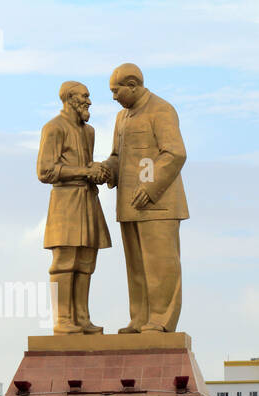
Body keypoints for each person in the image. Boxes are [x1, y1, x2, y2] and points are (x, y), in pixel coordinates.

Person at [101, 63, 189, 334]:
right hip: (128, 205)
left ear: (132, 85)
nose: (114, 97)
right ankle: (139, 319)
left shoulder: (161, 110)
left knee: (160, 265)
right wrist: (106, 169)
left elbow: (174, 153)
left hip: (158, 204)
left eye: (117, 91)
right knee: (136, 268)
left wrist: (149, 186)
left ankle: (161, 321)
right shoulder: (120, 118)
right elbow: (118, 156)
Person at [36, 80, 111, 334]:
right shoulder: (53, 128)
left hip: (88, 199)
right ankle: (64, 319)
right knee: (65, 260)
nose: (89, 101)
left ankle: (82, 318)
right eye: (85, 96)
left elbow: (87, 165)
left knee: (87, 259)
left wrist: (98, 171)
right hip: (65, 201)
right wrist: (84, 171)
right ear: (69, 98)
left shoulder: (88, 132)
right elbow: (45, 171)